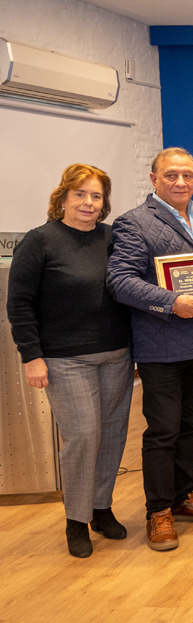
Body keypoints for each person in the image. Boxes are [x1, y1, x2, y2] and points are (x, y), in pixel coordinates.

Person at [6, 164, 134, 558]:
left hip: (117, 354)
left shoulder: (114, 239)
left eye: (96, 196)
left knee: (112, 436)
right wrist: (32, 357)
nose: (88, 203)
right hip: (64, 359)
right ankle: (76, 521)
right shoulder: (40, 241)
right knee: (83, 437)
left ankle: (101, 509)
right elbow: (19, 303)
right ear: (62, 198)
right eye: (80, 194)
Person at [108, 147, 193, 552]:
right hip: (161, 347)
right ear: (154, 178)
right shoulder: (133, 223)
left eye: (188, 176)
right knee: (162, 432)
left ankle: (183, 497)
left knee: (190, 426)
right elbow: (120, 281)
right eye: (172, 175)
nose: (181, 182)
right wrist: (170, 300)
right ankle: (158, 511)